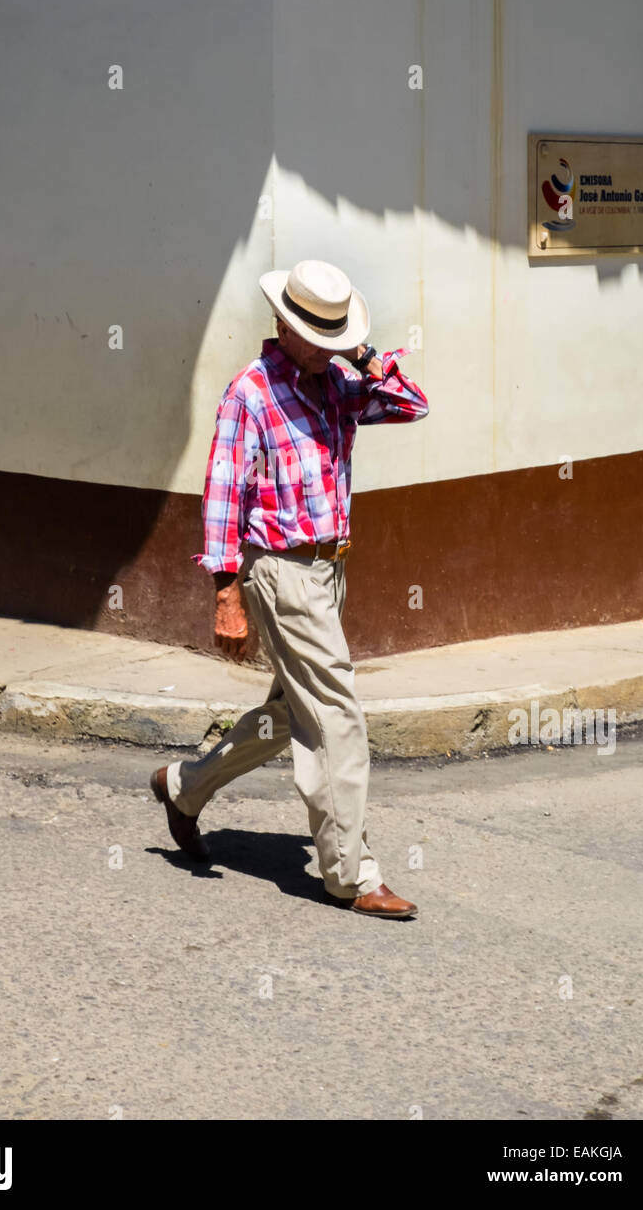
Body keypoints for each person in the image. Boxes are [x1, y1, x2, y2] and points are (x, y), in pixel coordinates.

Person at [150, 259, 429, 918]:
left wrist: (361, 356)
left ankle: (183, 787)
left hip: (327, 569)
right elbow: (223, 492)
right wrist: (225, 594)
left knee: (288, 717)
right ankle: (351, 874)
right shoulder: (249, 393)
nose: (329, 345)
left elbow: (412, 404)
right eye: (318, 332)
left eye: (338, 333)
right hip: (277, 570)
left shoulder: (336, 383)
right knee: (336, 714)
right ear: (282, 323)